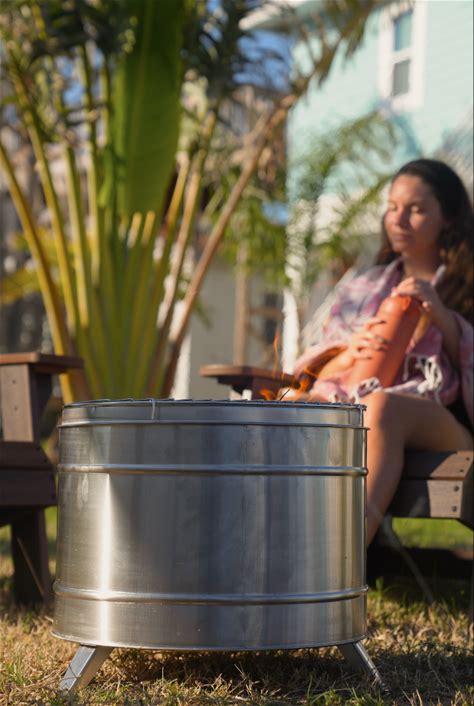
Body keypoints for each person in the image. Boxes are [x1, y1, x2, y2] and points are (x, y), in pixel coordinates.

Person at [292, 158, 473, 544]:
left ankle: (343, 558)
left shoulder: (467, 285)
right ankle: (279, 542)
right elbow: (317, 367)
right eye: (392, 208)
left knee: (381, 405)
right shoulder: (363, 288)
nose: (399, 219)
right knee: (293, 405)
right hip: (352, 408)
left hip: (447, 424)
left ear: (449, 218)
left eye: (416, 209)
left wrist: (443, 319)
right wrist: (349, 351)